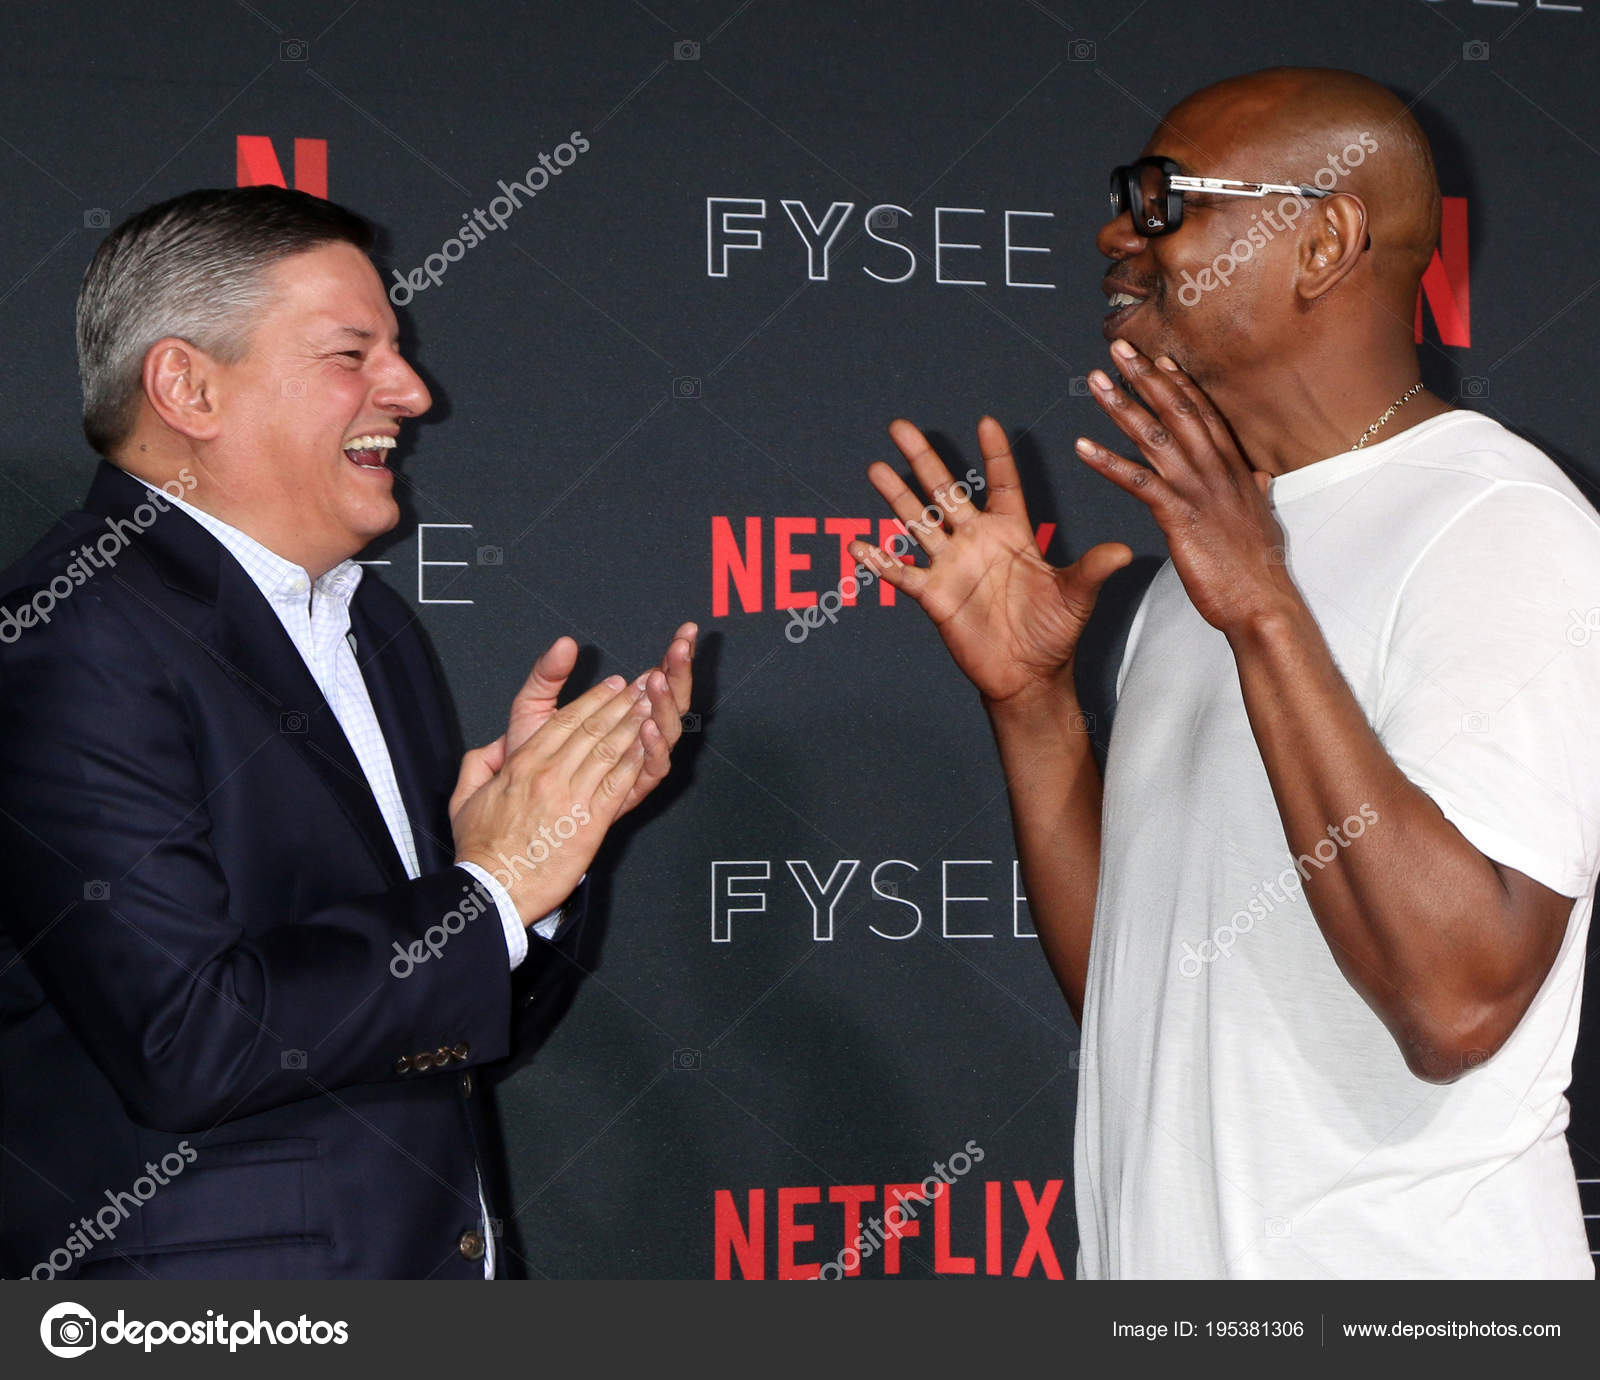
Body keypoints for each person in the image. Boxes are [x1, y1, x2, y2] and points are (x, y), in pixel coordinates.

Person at [853, 67, 1600, 1278]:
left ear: (1324, 240)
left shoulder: (1498, 524)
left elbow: (1457, 1004)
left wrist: (1263, 607)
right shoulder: (1197, 574)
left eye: (1163, 200)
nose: (1115, 234)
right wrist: (1033, 708)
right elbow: (1139, 1000)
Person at [0, 185, 695, 1279]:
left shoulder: (369, 624)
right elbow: (186, 1041)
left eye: (399, 351)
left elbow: (442, 1025)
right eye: (350, 353)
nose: (411, 391)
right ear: (186, 385)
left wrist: (535, 876)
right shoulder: (73, 634)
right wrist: (492, 889)